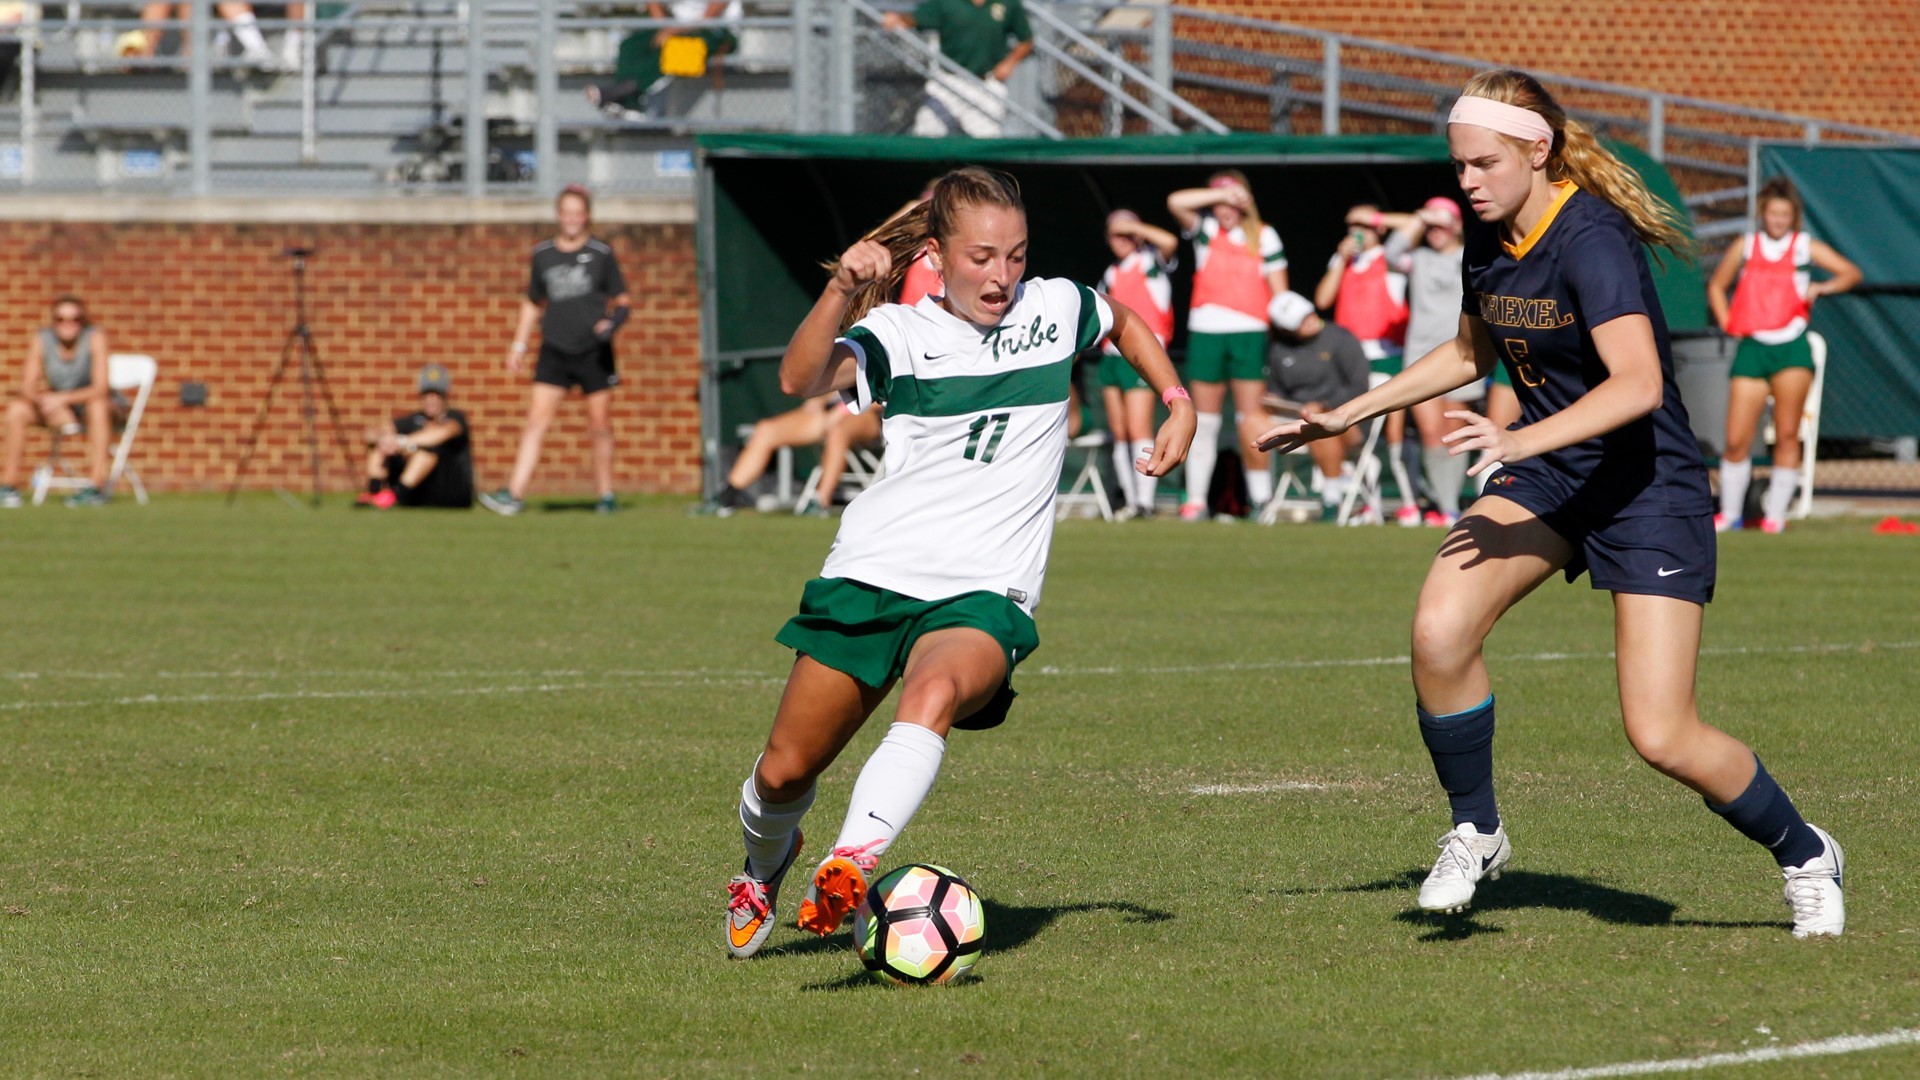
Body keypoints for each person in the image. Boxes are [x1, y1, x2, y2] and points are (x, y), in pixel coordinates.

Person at [1259, 69, 1846, 938]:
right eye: (1459, 165)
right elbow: (1470, 350)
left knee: (1661, 733)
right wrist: (1349, 410)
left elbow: (1641, 384)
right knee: (1439, 628)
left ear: (1538, 151)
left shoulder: (1593, 238)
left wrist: (1520, 440)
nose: (1467, 181)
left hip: (1645, 486)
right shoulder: (1489, 233)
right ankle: (1478, 829)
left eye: (1483, 163)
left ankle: (1805, 853)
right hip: (1551, 476)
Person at [723, 166, 1195, 958]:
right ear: (937, 256)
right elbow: (799, 377)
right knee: (781, 773)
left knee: (935, 687)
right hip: (873, 575)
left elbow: (1126, 323)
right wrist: (843, 287)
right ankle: (764, 867)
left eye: (1015, 256)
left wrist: (1178, 402)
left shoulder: (1055, 307)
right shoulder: (901, 334)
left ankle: (851, 859)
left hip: (983, 591)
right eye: (982, 257)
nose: (1002, 277)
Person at [1706, 177, 1861, 534]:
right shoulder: (1747, 245)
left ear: (1793, 217)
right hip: (1753, 346)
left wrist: (1822, 287)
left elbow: (1850, 272)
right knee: (1735, 438)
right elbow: (1717, 284)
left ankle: (1775, 515)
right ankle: (1730, 514)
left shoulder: (1803, 246)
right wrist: (1730, 321)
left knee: (1788, 434)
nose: (1778, 220)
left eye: (1785, 215)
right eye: (1773, 213)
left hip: (1791, 347)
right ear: (1763, 213)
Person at [482, 185, 632, 516]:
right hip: (554, 350)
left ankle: (606, 495)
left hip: (593, 352)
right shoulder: (543, 255)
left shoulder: (601, 254)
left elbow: (623, 302)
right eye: (566, 213)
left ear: (587, 216)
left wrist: (611, 324)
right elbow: (533, 303)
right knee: (536, 421)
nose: (572, 219)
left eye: (578, 213)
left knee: (599, 424)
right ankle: (514, 493)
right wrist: (518, 346)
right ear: (558, 215)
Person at [1166, 171, 1288, 519]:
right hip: (1206, 332)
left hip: (1250, 332)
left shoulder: (1264, 236)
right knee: (1204, 421)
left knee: (1250, 419)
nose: (1225, 208)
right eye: (1219, 202)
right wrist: (1218, 195)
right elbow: (1175, 201)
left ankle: (1261, 500)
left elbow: (1281, 295)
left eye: (1233, 200)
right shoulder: (1204, 230)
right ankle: (1196, 500)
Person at [1317, 204, 1416, 525]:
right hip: (1349, 363)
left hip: (1387, 358)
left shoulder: (1392, 259)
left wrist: (1375, 219)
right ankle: (1371, 503)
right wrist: (1341, 260)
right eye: (1351, 225)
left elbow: (1415, 223)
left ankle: (1409, 502)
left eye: (1364, 225)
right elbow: (1322, 301)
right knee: (1355, 434)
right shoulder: (1344, 260)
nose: (1357, 231)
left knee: (1392, 436)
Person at [1378, 197, 1474, 526]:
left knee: (1456, 434)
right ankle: (1444, 505)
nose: (1435, 231)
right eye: (1430, 227)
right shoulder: (1416, 258)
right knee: (1432, 434)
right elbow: (1390, 252)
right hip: (1420, 356)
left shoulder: (1468, 256)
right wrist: (1420, 217)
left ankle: (1451, 504)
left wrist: (1446, 220)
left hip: (1463, 355)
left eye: (1441, 224)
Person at [1096, 209, 1179, 518]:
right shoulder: (1111, 272)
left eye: (1126, 234)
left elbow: (1170, 241)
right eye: (1115, 234)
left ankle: (1144, 500)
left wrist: (1136, 227)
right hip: (1111, 356)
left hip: (1143, 355)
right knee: (1120, 432)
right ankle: (1131, 500)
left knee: (1139, 426)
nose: (1121, 240)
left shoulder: (1150, 261)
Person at [1, 296, 116, 509]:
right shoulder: (42, 339)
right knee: (17, 409)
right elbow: (27, 386)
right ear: (53, 321)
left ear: (83, 321)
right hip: (55, 407)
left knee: (98, 406)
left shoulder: (95, 338)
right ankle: (9, 486)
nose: (67, 324)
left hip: (90, 405)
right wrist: (47, 402)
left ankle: (96, 486)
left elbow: (101, 388)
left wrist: (63, 400)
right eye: (61, 319)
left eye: (74, 319)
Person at [1264, 291, 1369, 521]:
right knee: (1251, 420)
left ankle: (1332, 499)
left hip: (1347, 421)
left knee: (1322, 420)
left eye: (1307, 314)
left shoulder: (1341, 339)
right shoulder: (1279, 349)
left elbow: (1360, 386)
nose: (1309, 320)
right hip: (1296, 419)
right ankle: (1259, 499)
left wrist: (1324, 405)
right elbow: (1278, 391)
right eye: (1300, 320)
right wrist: (1273, 402)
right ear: (1287, 329)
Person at [694, 394, 883, 517]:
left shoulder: (885, 341)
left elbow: (882, 393)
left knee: (838, 430)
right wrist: (820, 399)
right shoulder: (845, 341)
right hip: (831, 412)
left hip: (869, 415)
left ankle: (820, 502)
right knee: (766, 430)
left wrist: (843, 411)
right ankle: (727, 498)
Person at [882, 0, 1033, 139]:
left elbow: (1026, 39)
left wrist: (1010, 62)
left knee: (987, 143)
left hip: (986, 83)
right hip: (949, 81)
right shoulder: (948, 2)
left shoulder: (1008, 3)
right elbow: (916, 18)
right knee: (926, 136)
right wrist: (897, 18)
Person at [586, 1, 741, 119]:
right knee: (631, 45)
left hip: (717, 30)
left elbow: (710, 15)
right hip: (678, 28)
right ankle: (629, 103)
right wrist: (663, 28)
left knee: (674, 50)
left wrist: (672, 31)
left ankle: (621, 91)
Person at [357, 363, 474, 510]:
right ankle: (373, 492)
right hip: (420, 494)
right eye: (427, 394)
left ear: (445, 397)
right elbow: (371, 433)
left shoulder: (455, 418)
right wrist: (385, 438)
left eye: (436, 395)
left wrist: (401, 441)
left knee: (426, 453)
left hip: (451, 493)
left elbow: (441, 433)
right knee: (379, 444)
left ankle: (395, 495)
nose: (431, 400)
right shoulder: (414, 420)